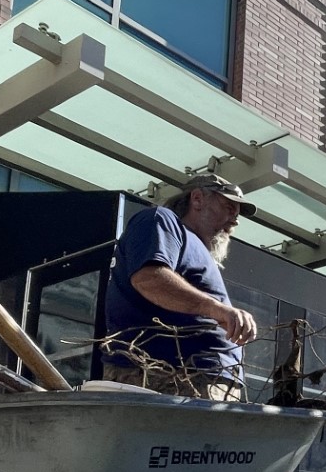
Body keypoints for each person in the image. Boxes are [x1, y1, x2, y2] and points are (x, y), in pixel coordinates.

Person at [104, 166, 260, 399]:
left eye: (237, 214)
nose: (234, 221)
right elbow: (149, 278)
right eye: (229, 208)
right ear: (197, 199)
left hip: (203, 380)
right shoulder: (161, 221)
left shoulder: (199, 250)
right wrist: (216, 309)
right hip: (166, 376)